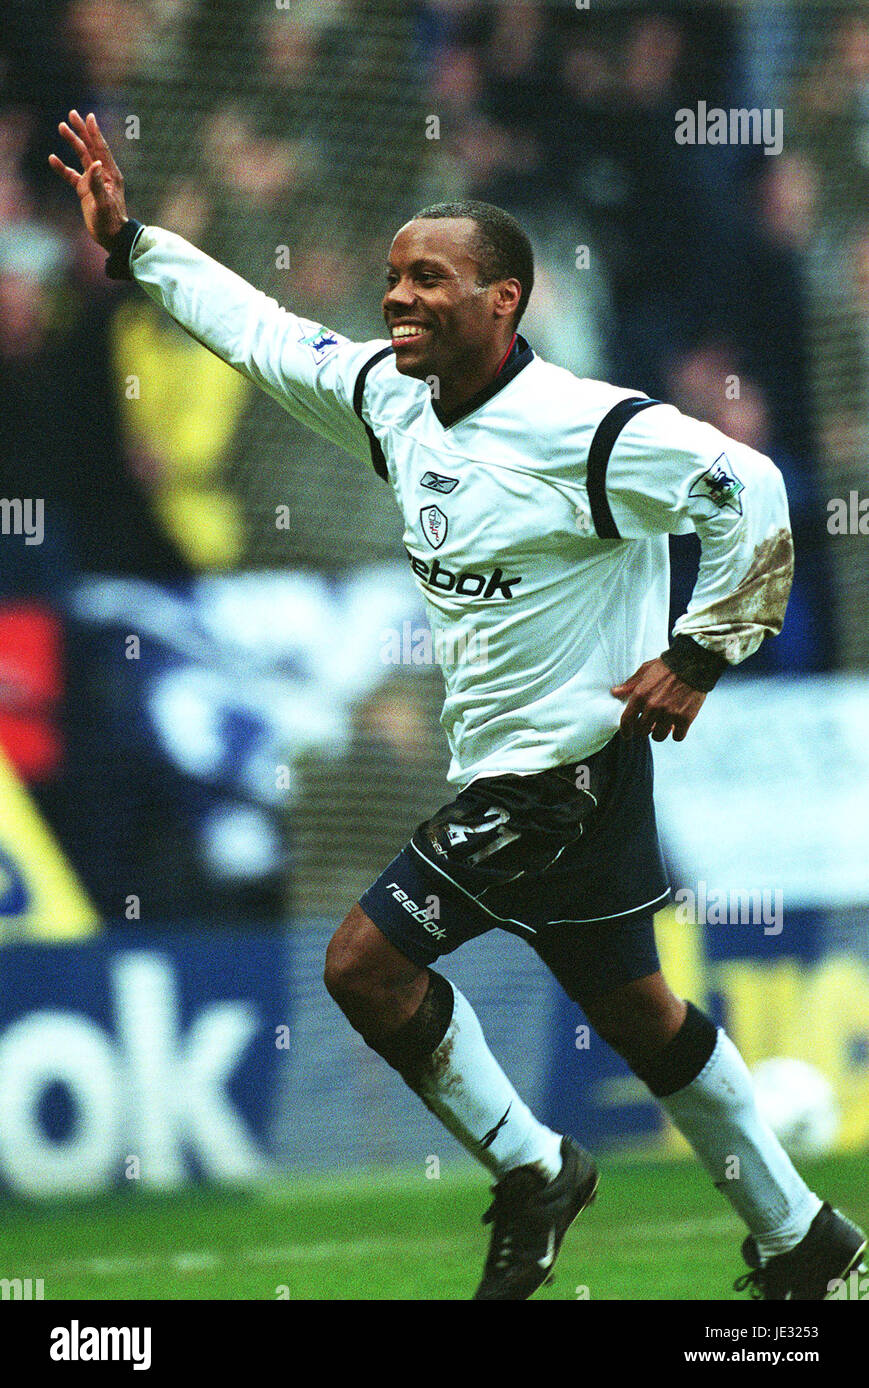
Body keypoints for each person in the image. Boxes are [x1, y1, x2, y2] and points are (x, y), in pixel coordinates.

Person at [50, 110, 866, 1302]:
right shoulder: (398, 405)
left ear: (504, 299)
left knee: (360, 968)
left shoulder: (588, 430)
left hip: (561, 776)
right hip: (530, 769)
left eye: (428, 279)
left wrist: (701, 650)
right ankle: (800, 1239)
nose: (398, 298)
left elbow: (748, 486)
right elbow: (268, 339)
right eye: (390, 278)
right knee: (642, 1018)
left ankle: (537, 1168)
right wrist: (139, 249)